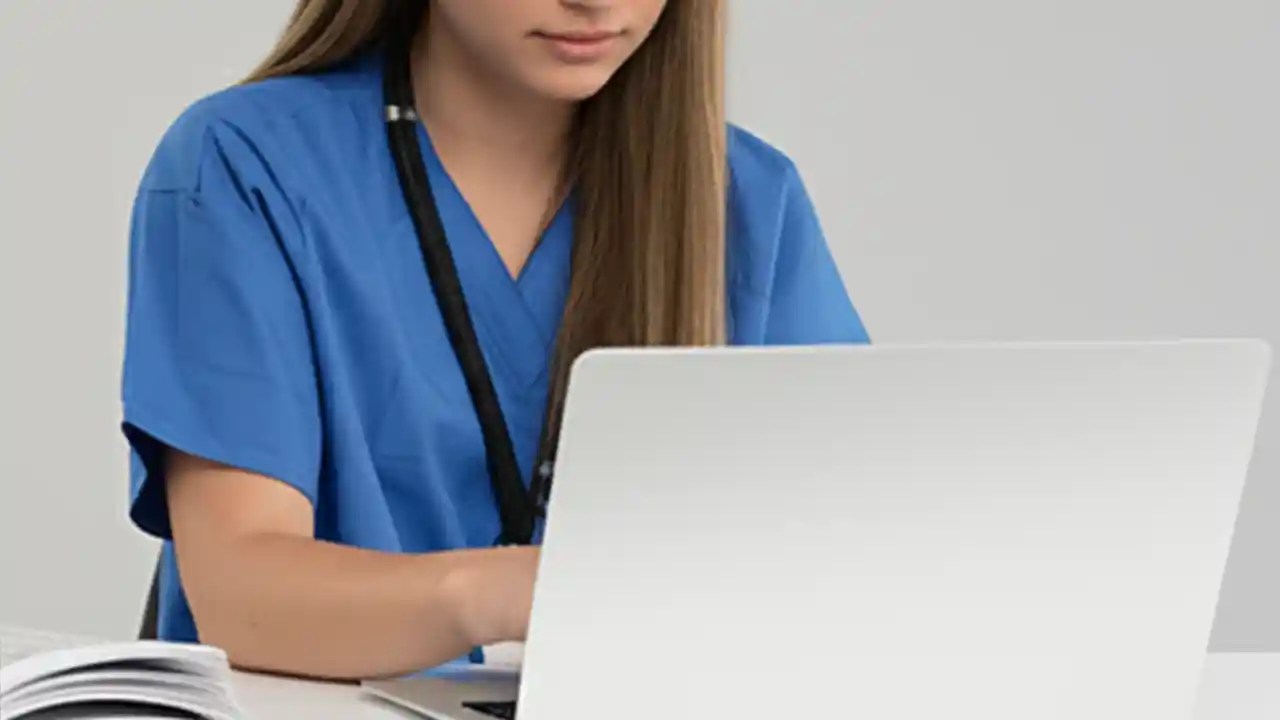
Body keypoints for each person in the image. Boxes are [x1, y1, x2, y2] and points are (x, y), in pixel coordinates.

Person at [121, 0, 869, 681]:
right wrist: (523, 592)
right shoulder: (244, 166)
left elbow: (855, 553)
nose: (598, 2)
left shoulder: (749, 202)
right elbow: (245, 597)